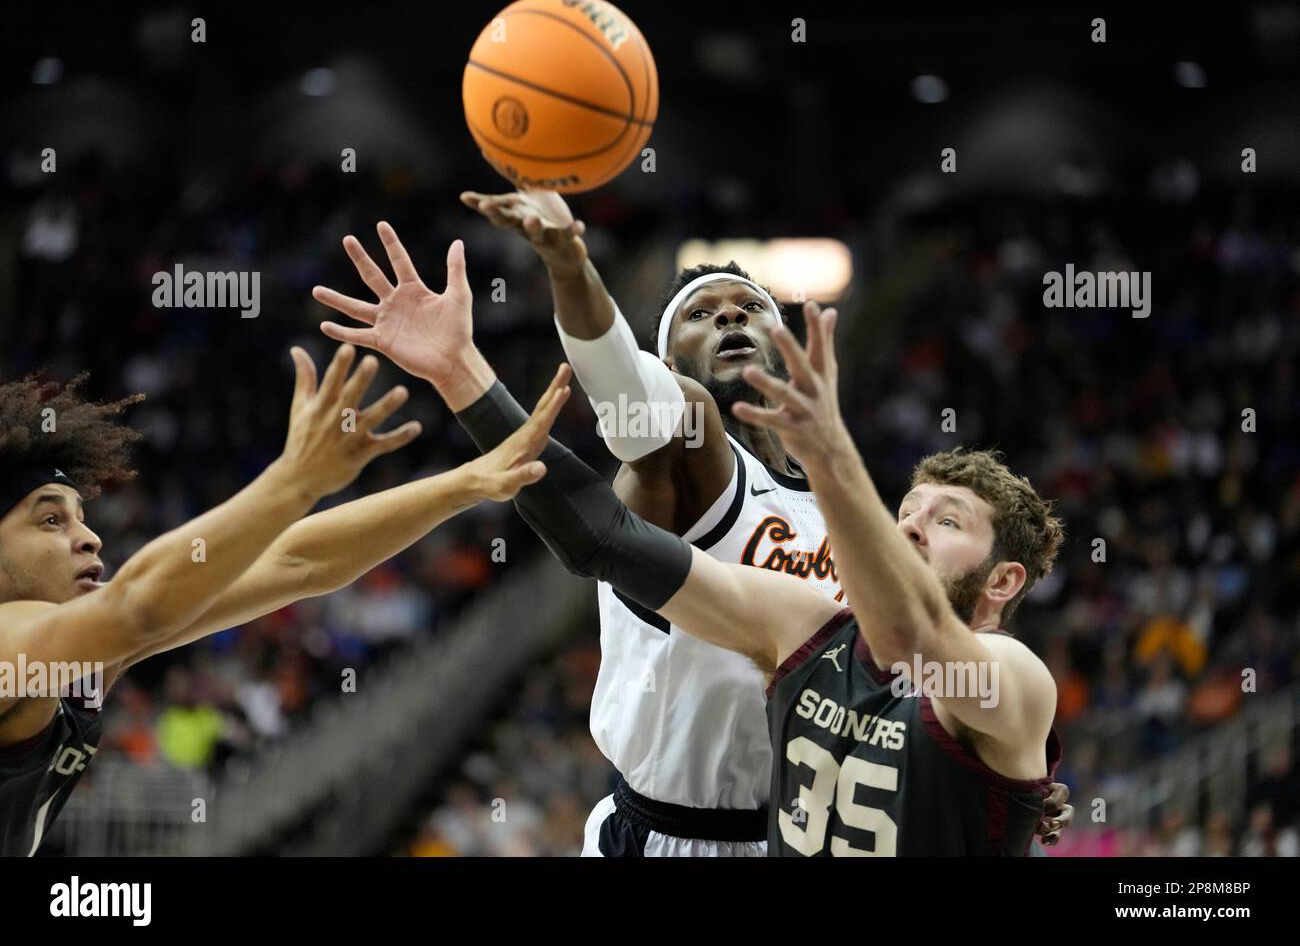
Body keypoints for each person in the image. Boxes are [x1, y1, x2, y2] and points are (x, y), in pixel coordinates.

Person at [314, 224, 1069, 855]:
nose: (733, 319)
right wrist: (569, 266)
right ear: (667, 362)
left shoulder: (861, 524)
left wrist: (1001, 770)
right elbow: (621, 408)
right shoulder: (690, 431)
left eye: (750, 308)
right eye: (702, 313)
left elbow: (915, 668)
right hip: (667, 828)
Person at [0, 345, 565, 856]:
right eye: (51, 519)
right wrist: (292, 482)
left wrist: (467, 482)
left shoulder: (81, 657)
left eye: (81, 516)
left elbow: (298, 563)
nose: (89, 537)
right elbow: (136, 604)